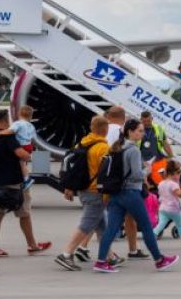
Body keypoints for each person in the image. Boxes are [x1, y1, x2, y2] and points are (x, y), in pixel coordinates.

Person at [93, 119, 179, 273]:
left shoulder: (118, 148)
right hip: (131, 193)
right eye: (139, 130)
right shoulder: (133, 150)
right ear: (130, 132)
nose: (143, 133)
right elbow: (137, 175)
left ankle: (100, 261)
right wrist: (148, 169)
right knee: (146, 227)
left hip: (116, 193)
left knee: (111, 229)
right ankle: (159, 260)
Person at [55, 115, 123, 271]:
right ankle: (66, 254)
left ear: (92, 128)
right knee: (86, 225)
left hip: (83, 189)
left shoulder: (83, 142)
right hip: (95, 192)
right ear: (105, 129)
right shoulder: (103, 148)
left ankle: (109, 256)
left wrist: (69, 186)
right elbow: (105, 174)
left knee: (102, 226)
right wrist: (107, 194)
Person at [0, 110, 51, 257]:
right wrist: (29, 154)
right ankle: (32, 245)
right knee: (24, 213)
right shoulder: (9, 137)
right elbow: (22, 154)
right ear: (5, 120)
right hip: (14, 182)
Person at [103, 106, 145, 260]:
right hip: (122, 184)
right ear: (123, 117)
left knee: (125, 217)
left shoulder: (105, 130)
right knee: (99, 218)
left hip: (109, 180)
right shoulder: (121, 134)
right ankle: (83, 247)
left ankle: (133, 249)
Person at [152, 161, 181, 249]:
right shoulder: (173, 185)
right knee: (180, 224)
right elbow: (180, 195)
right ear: (174, 173)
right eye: (179, 174)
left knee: (161, 224)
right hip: (173, 209)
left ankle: (152, 236)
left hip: (162, 208)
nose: (179, 176)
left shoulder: (161, 183)